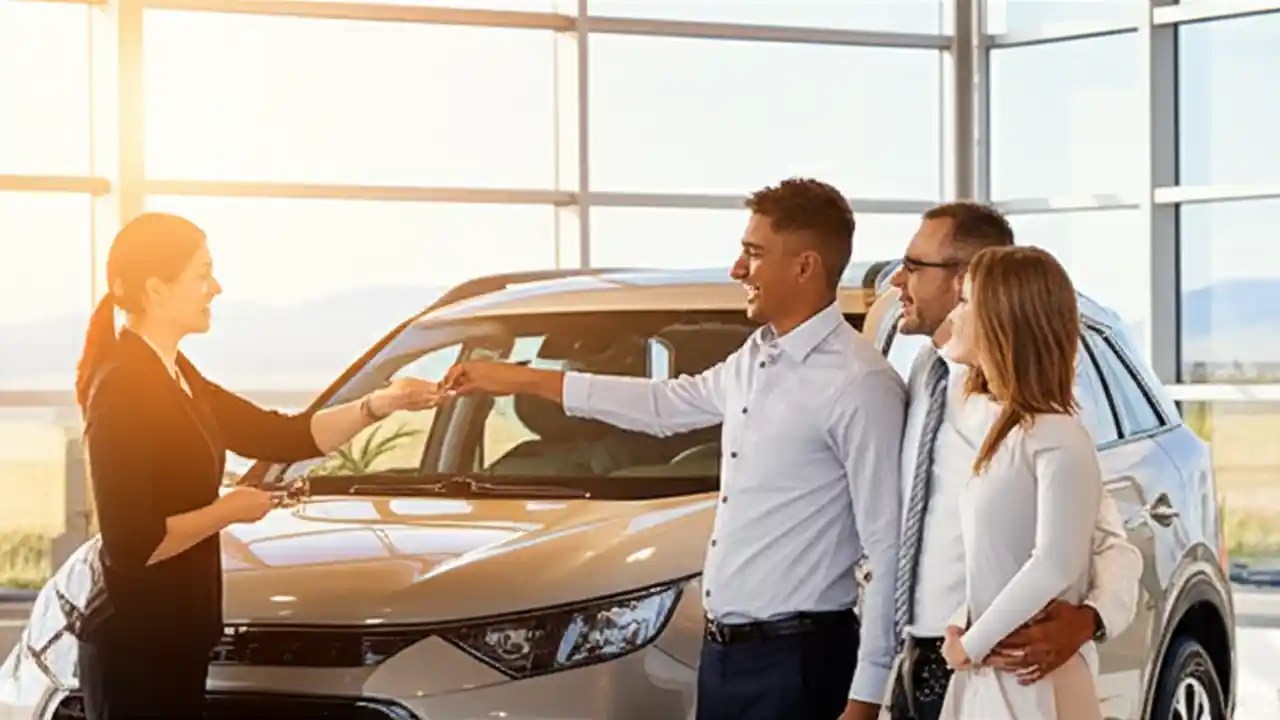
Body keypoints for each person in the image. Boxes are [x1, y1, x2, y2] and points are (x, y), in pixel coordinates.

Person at [442, 178, 905, 720]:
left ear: (804, 266)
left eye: (753, 254)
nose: (738, 269)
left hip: (801, 661)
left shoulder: (859, 383)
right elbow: (663, 406)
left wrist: (867, 696)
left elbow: (887, 543)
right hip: (725, 657)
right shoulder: (756, 358)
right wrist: (522, 381)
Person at [73, 213, 444, 719]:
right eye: (202, 274)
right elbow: (131, 545)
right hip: (137, 651)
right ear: (156, 288)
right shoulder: (123, 386)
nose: (216, 287)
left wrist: (382, 403)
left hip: (174, 639)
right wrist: (229, 510)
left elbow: (283, 434)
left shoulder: (177, 373)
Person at [860, 202, 1141, 720]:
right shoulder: (921, 374)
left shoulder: (1032, 415)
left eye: (914, 265)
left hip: (993, 658)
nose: (898, 278)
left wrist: (1089, 619)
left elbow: (1103, 541)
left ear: (967, 279)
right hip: (916, 654)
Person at [935, 245, 1104, 718]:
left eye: (966, 301)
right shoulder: (1001, 428)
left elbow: (1055, 562)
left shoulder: (1058, 437)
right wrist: (961, 629)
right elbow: (992, 559)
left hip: (1029, 686)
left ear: (1000, 318)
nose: (955, 313)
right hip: (991, 677)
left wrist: (971, 644)